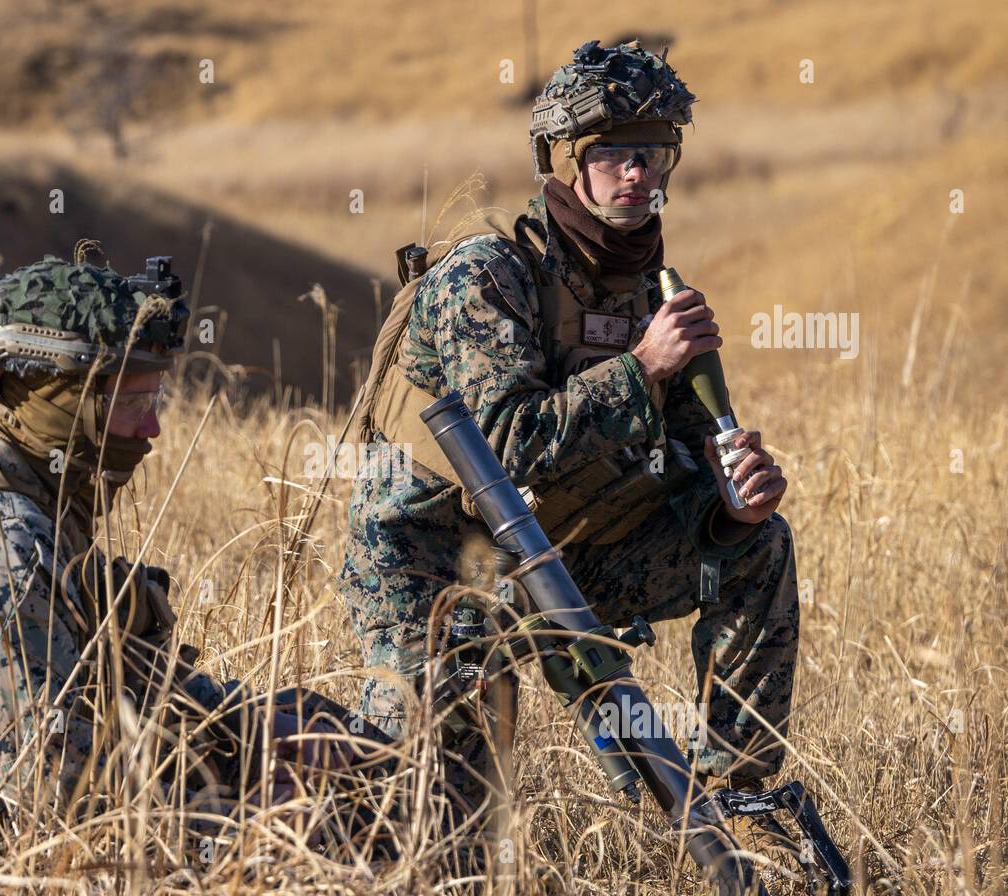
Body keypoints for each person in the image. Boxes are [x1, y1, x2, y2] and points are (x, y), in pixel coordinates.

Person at [341, 40, 799, 824]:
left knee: (759, 546)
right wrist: (643, 368)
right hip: (438, 560)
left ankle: (738, 804)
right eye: (616, 154)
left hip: (567, 549)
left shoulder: (653, 291)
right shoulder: (486, 276)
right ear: (563, 161)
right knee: (431, 804)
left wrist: (731, 507)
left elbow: (682, 457)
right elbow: (506, 447)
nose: (640, 176)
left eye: (657, 156)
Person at [0, 254, 367, 844]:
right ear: (56, 399)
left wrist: (255, 727)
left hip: (47, 818)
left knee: (329, 734)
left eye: (153, 402)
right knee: (328, 831)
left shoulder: (37, 511)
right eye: (130, 404)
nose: (151, 430)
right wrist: (260, 821)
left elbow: (128, 681)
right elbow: (63, 804)